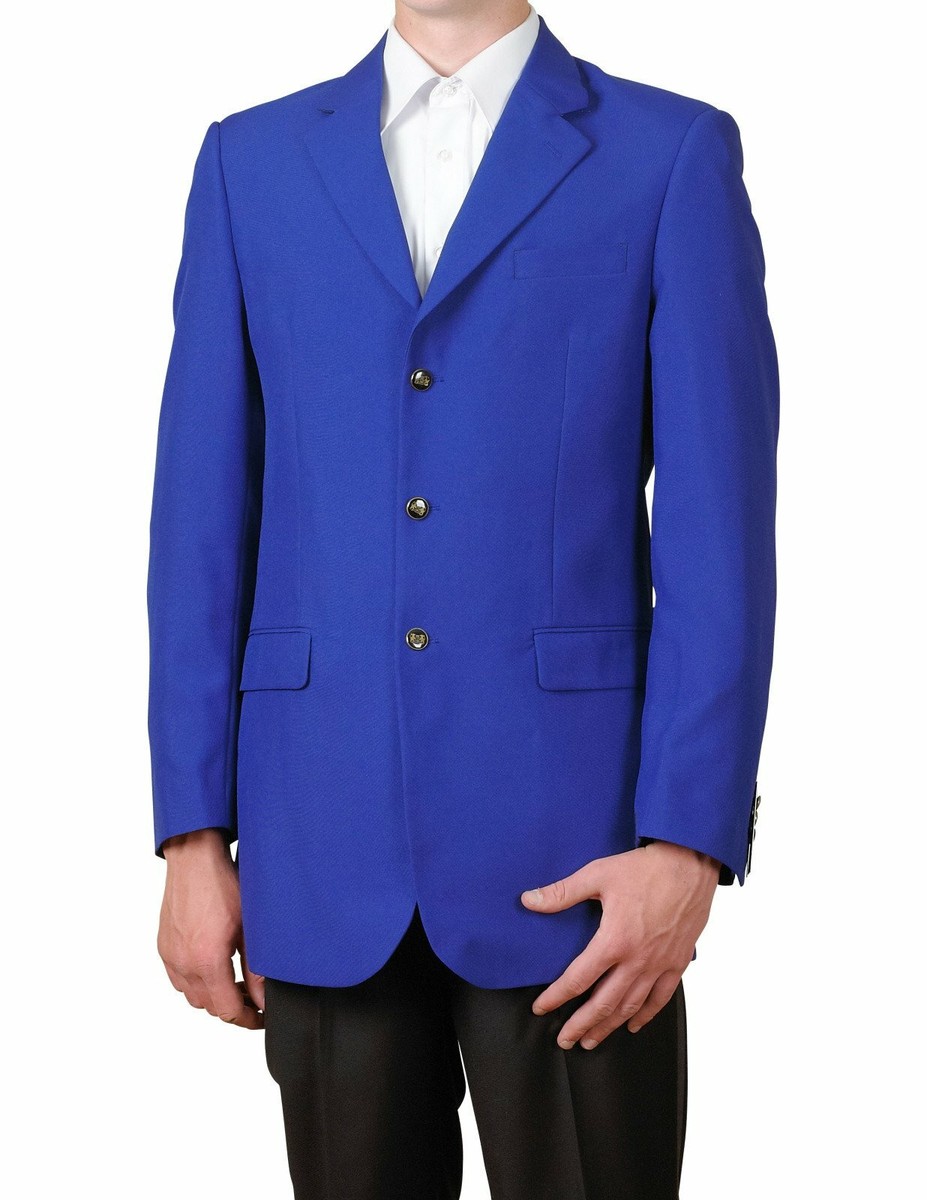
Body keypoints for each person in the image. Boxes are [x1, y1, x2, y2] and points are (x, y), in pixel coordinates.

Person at [147, 2, 778, 1196]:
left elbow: (720, 532)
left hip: (584, 856)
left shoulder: (670, 154)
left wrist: (689, 841)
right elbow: (201, 519)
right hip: (317, 843)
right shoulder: (248, 164)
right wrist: (190, 834)